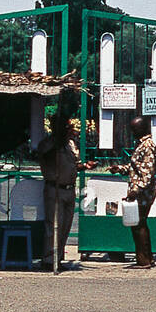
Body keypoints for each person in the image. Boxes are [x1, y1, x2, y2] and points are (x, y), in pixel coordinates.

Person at [35, 115, 96, 270]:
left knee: (65, 226)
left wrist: (85, 166)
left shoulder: (70, 144)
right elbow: (44, 155)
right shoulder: (48, 143)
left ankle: (59, 256)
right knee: (54, 224)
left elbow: (75, 164)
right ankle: (49, 260)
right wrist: (57, 141)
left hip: (69, 189)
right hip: (55, 188)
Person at [111, 115, 156, 269]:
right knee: (140, 223)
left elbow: (147, 173)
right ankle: (147, 258)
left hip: (143, 192)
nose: (132, 132)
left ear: (143, 128)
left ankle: (143, 260)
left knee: (139, 224)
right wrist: (120, 169)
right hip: (140, 191)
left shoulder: (148, 145)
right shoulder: (141, 145)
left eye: (135, 129)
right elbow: (136, 168)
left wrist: (135, 191)